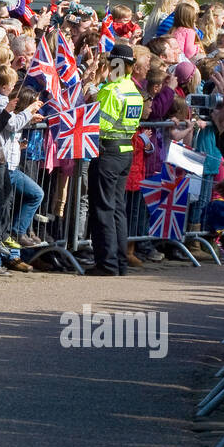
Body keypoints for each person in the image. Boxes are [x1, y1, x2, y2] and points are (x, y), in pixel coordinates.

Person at [86, 45, 144, 276]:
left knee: (103, 208)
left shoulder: (112, 90)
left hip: (108, 150)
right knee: (118, 209)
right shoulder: (132, 89)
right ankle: (119, 262)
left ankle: (107, 264)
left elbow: (101, 124)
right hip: (125, 150)